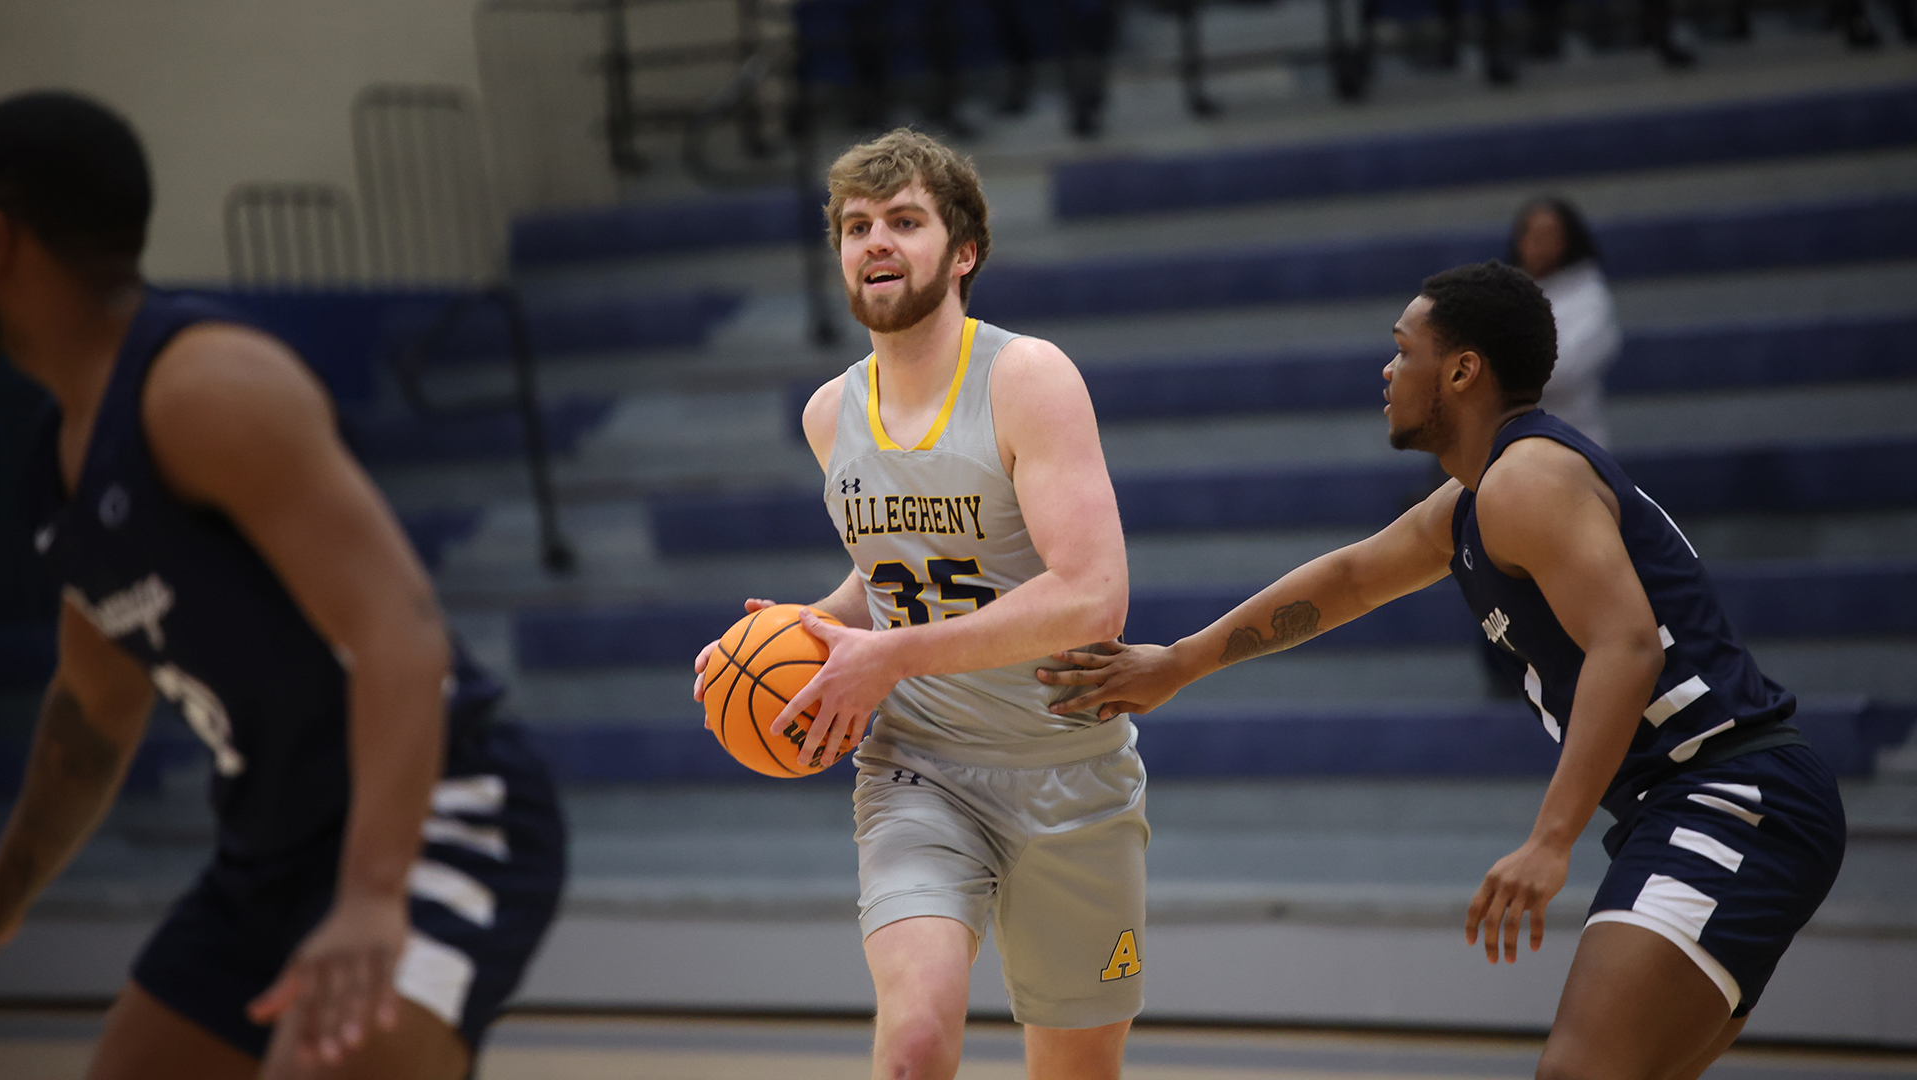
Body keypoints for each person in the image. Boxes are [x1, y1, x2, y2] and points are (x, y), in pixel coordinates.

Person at [1040, 262, 1846, 1080]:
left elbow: (1628, 647)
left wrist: (1550, 840)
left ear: (1462, 371)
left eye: (1404, 350)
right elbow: (1350, 580)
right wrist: (1180, 662)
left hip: (1729, 795)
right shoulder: (1474, 502)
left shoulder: (1527, 480)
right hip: (1700, 801)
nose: (1388, 371)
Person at [0, 91, 565, 1079]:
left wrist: (373, 894)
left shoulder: (206, 385)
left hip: (435, 812)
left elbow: (401, 634)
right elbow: (94, 707)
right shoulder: (62, 458)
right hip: (272, 851)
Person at [692, 128, 1140, 1080]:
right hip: (919, 768)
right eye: (856, 226)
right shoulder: (830, 414)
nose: (875, 242)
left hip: (1068, 770)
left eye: (904, 220)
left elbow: (1095, 597)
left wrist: (890, 655)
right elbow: (889, 577)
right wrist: (810, 632)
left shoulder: (1027, 379)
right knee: (916, 1045)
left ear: (963, 251)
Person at [1510, 198, 1622, 447]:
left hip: (1572, 435)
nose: (1536, 243)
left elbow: (1560, 370)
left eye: (1547, 235)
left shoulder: (1590, 298)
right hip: (1512, 436)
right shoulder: (1505, 291)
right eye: (1529, 233)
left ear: (1568, 240)